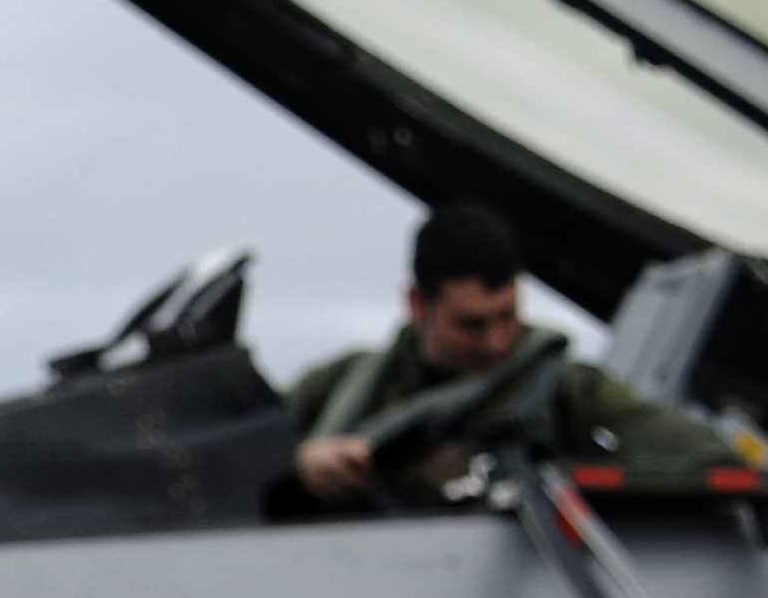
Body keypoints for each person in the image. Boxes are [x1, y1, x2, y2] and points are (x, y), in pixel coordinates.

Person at [286, 198, 742, 510]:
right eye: (471, 324)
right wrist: (300, 464)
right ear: (417, 305)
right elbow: (226, 459)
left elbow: (713, 463)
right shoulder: (338, 389)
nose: (497, 342)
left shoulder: (569, 392)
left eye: (508, 316)